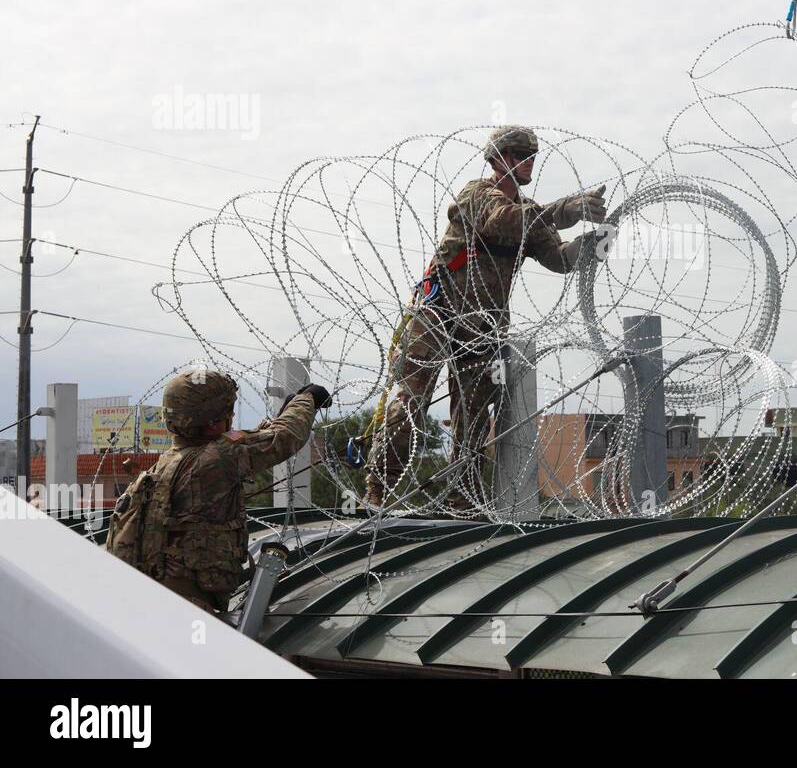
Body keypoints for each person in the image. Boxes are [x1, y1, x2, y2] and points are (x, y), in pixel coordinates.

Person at [364, 125, 606, 510]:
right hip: (438, 312)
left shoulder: (530, 214)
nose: (527, 162)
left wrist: (591, 246)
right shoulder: (476, 195)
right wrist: (566, 209)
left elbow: (558, 257)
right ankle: (380, 487)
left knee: (473, 415)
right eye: (518, 154)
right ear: (497, 159)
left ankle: (463, 497)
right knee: (412, 402)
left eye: (531, 156)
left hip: (483, 325)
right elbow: (503, 219)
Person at [105, 368, 332, 613]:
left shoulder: (166, 463)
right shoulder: (218, 459)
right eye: (228, 411)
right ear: (213, 423)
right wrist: (307, 399)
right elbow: (285, 437)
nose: (232, 417)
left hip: (149, 601)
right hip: (190, 607)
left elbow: (249, 444)